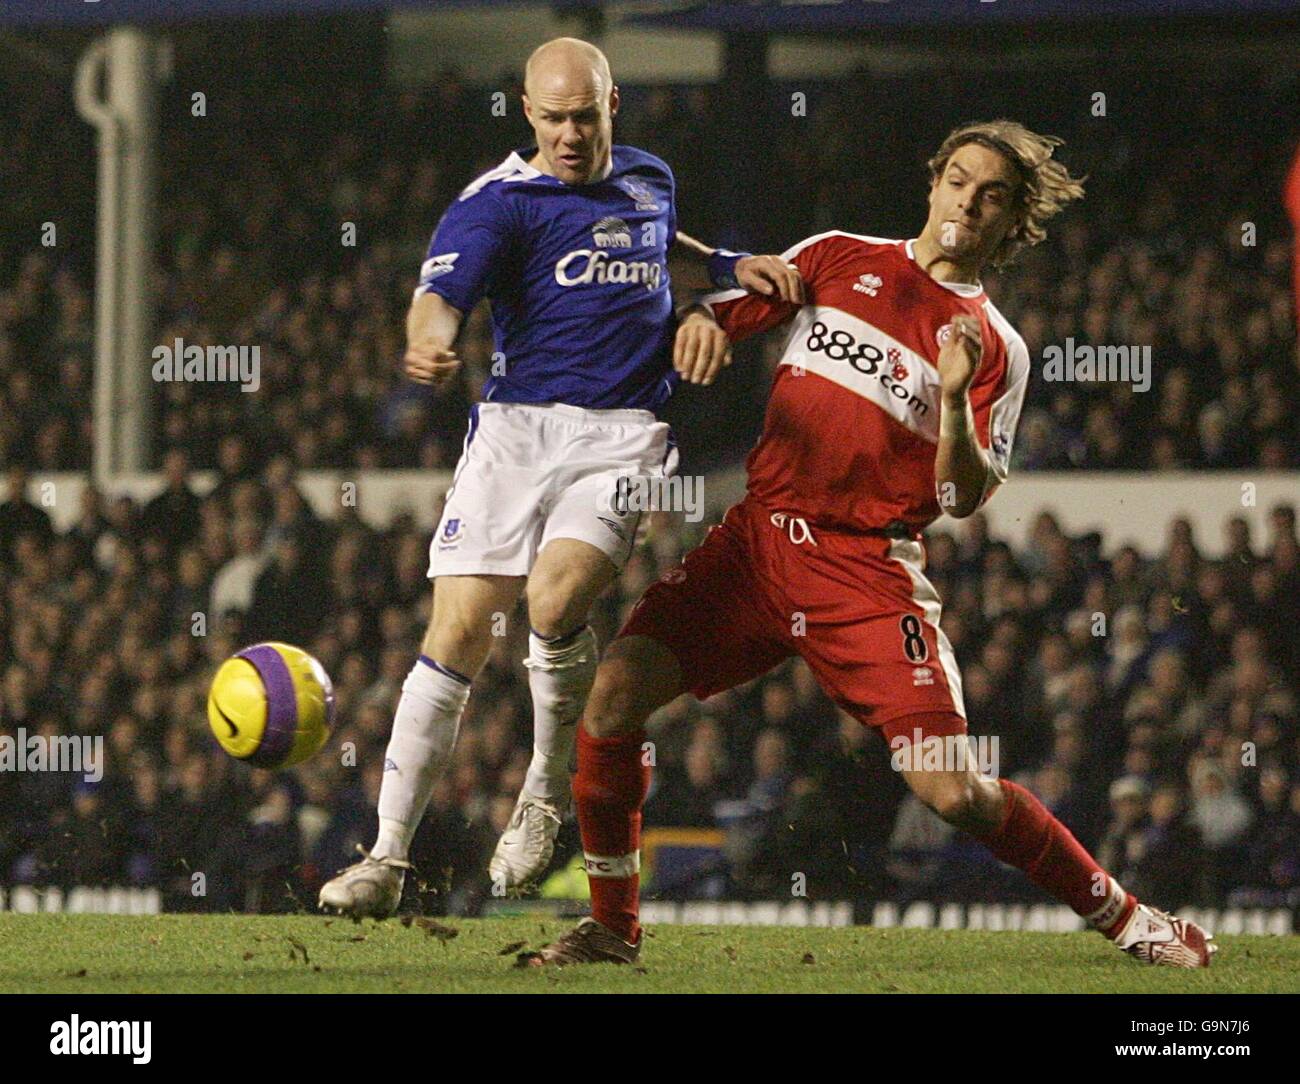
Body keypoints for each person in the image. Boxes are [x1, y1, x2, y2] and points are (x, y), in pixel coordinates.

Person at [524, 119, 1216, 969]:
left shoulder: (997, 347)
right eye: (958, 179)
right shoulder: (838, 255)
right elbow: (727, 309)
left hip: (863, 573)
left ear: (1011, 222)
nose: (968, 199)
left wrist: (955, 404)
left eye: (991, 193)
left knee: (951, 789)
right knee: (612, 698)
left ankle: (1132, 919)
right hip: (756, 544)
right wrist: (703, 324)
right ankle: (612, 929)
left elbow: (961, 497)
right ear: (933, 183)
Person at [318, 37, 803, 917]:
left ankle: (543, 792)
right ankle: (385, 859)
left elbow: (662, 242)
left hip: (621, 437)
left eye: (586, 116)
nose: (572, 134)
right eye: (554, 119)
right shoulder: (496, 205)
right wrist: (428, 340)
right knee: (459, 630)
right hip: (512, 432)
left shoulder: (649, 175)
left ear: (612, 105)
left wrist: (727, 272)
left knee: (552, 601)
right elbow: (440, 295)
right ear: (528, 114)